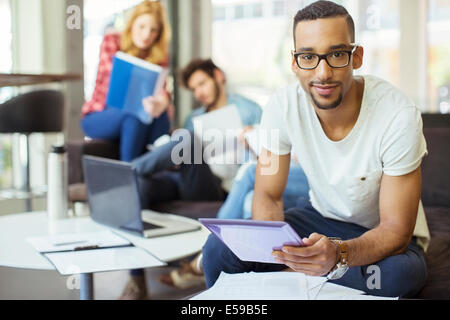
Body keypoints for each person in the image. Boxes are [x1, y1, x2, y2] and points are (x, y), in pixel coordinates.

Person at [201, 0, 430, 298]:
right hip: (320, 218)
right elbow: (268, 195)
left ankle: (297, 277)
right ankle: (308, 274)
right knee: (217, 250)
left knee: (401, 275)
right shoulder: (282, 106)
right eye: (308, 57)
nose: (322, 73)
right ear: (295, 62)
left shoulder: (398, 115)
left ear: (356, 56)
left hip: (382, 233)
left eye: (336, 54)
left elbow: (396, 231)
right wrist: (273, 252)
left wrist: (338, 254)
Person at [120, 58, 263, 299]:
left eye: (202, 84)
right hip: (188, 177)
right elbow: (185, 155)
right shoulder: (195, 116)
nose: (199, 93)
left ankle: (126, 171)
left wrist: (254, 137)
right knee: (143, 186)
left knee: (187, 139)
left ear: (218, 76)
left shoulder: (249, 110)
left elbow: (271, 153)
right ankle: (136, 275)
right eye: (194, 89)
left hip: (220, 185)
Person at [81, 1, 172, 162]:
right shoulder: (113, 40)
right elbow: (113, 84)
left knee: (160, 113)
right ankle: (129, 170)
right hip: (100, 114)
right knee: (135, 114)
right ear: (132, 25)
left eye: (153, 30)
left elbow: (161, 88)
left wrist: (161, 102)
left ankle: (151, 165)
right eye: (142, 27)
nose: (146, 35)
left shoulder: (159, 53)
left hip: (136, 114)